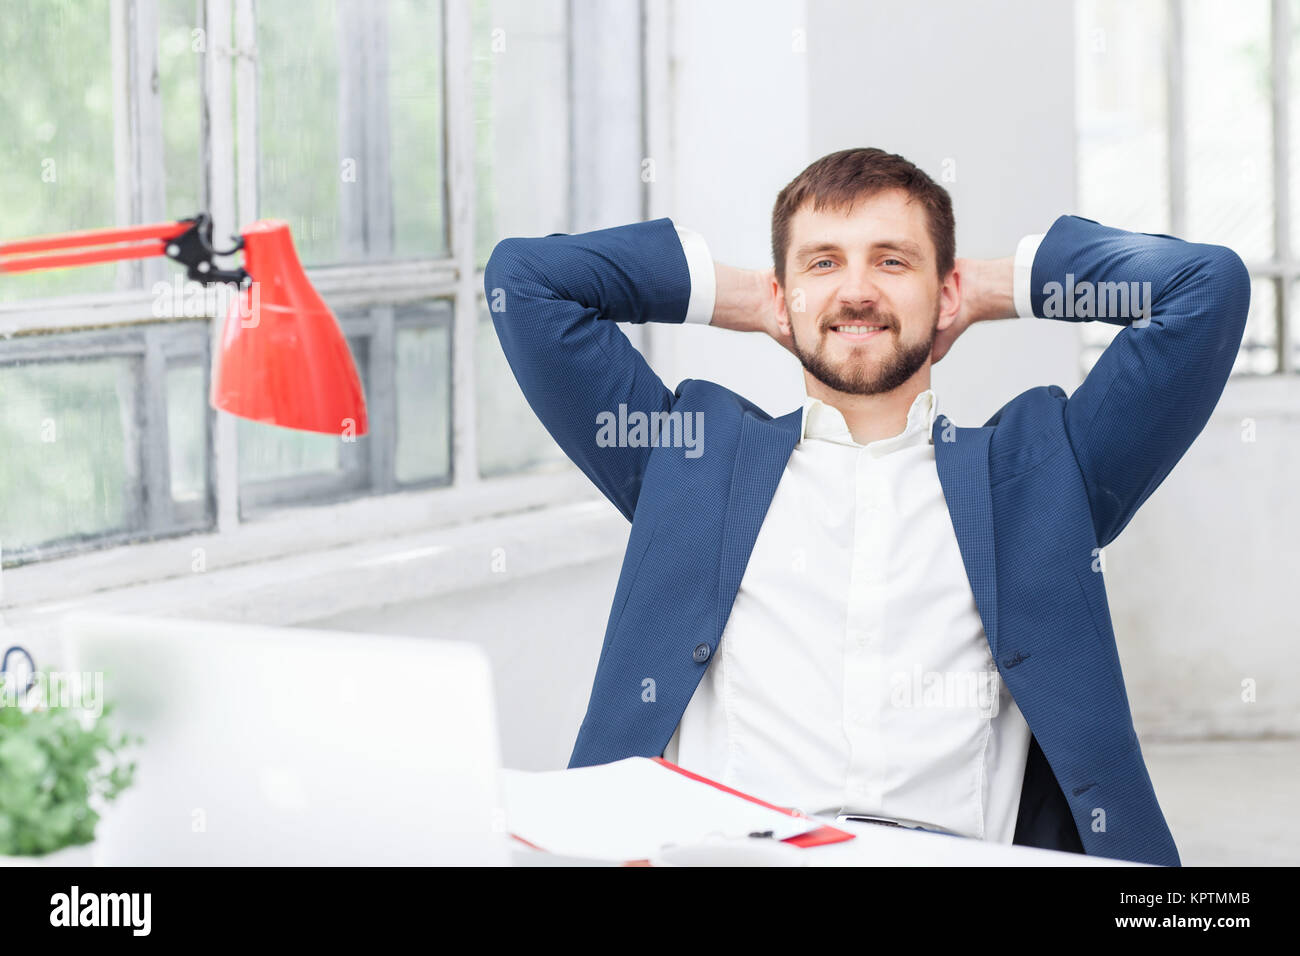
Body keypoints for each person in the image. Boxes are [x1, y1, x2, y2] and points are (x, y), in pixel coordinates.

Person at [483, 147, 1250, 866]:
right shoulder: (691, 458)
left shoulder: (1045, 472)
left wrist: (986, 286)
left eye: (893, 261)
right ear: (783, 293)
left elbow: (1204, 288)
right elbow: (526, 281)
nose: (857, 290)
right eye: (825, 262)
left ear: (942, 290)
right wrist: (756, 300)